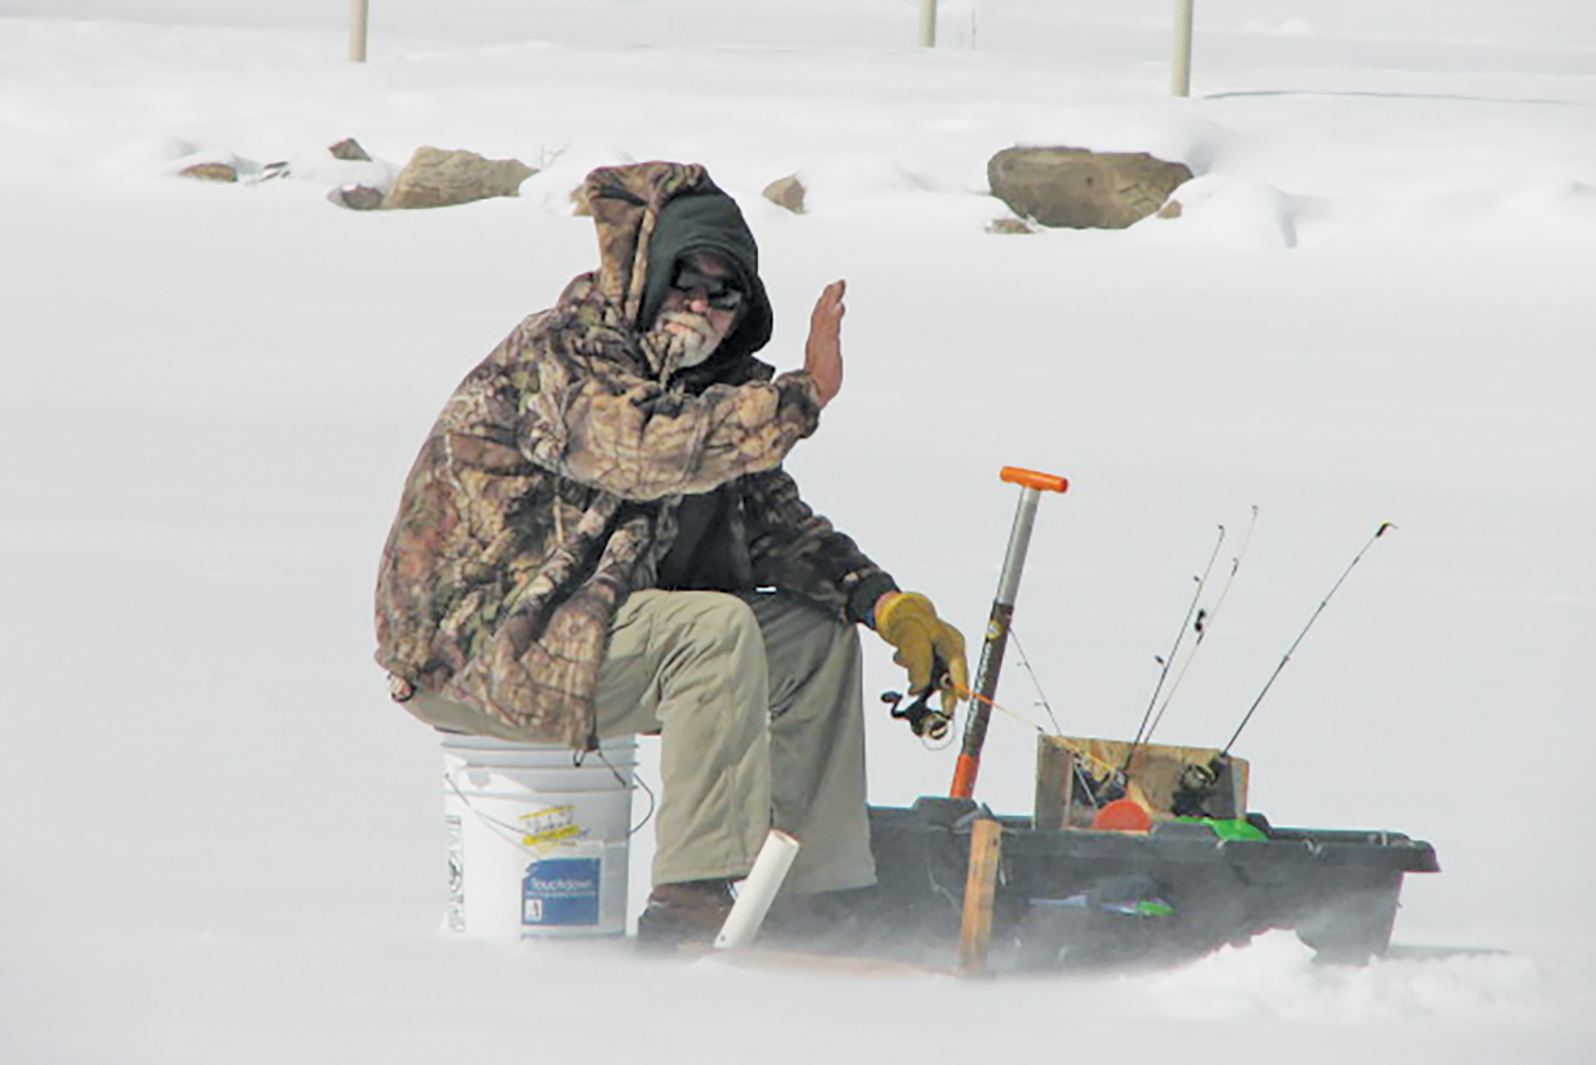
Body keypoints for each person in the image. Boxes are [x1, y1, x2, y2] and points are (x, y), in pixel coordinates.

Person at [374, 161, 968, 946]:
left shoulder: (710, 392)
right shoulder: (566, 353)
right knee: (712, 633)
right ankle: (690, 902)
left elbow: (771, 526)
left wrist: (886, 605)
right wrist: (803, 397)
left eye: (726, 292)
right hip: (475, 646)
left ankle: (808, 895)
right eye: (687, 278)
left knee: (811, 639)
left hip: (581, 635)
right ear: (650, 277)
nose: (701, 303)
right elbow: (643, 450)